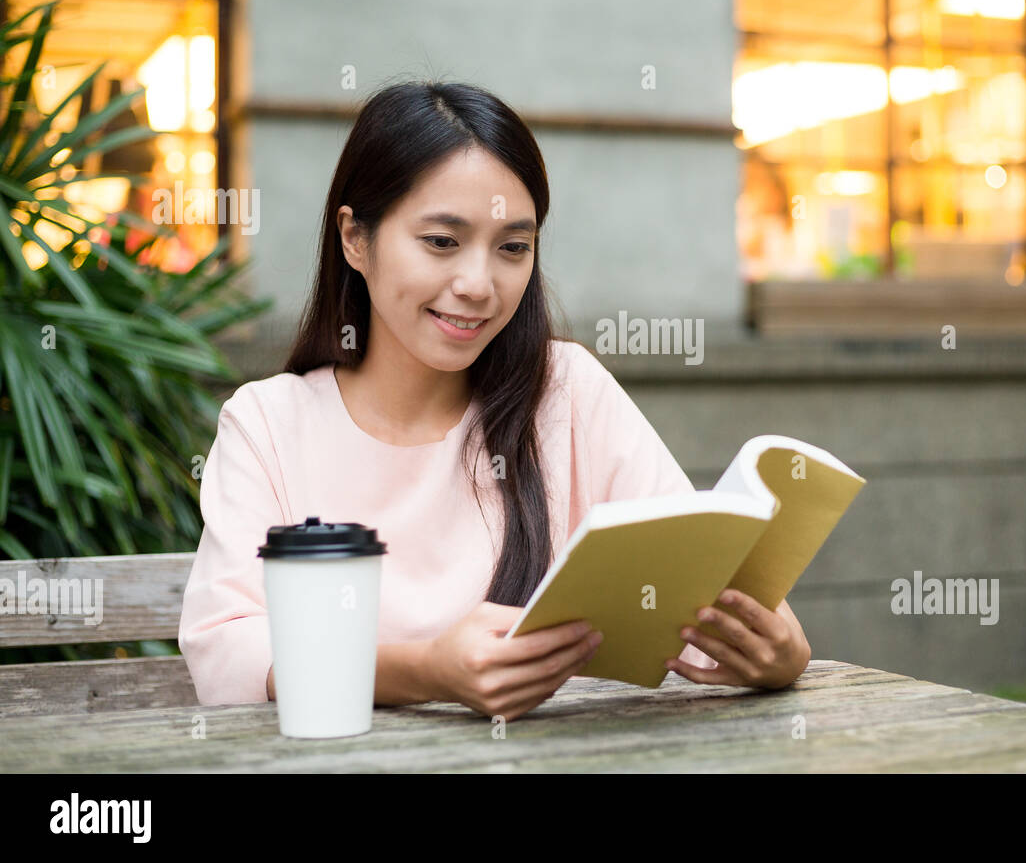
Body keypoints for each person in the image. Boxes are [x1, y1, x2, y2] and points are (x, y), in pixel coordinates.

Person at [177, 81, 812, 722]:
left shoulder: (565, 392)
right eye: (442, 242)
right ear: (355, 239)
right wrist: (426, 671)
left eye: (513, 247)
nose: (478, 285)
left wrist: (774, 649)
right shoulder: (268, 423)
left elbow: (697, 573)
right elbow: (224, 647)